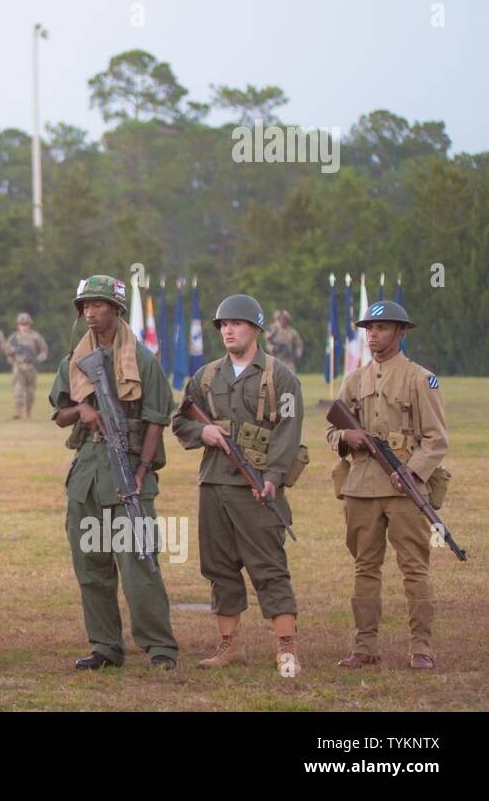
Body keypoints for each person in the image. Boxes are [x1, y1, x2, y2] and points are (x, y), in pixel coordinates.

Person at [171, 294, 305, 676]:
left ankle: (287, 647)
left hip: (257, 486)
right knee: (218, 565)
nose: (228, 330)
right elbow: (179, 421)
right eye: (223, 325)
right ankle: (230, 645)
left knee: (268, 566)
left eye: (237, 323)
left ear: (255, 329)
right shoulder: (205, 376)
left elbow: (288, 431)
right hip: (214, 482)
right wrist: (205, 431)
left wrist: (273, 478)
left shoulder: (280, 376)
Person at [50, 275, 179, 670]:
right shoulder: (75, 360)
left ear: (117, 310)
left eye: (98, 305)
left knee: (139, 564)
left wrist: (142, 470)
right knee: (91, 568)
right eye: (85, 306)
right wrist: (83, 411)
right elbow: (59, 413)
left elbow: (157, 420)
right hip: (87, 476)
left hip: (129, 474)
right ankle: (105, 646)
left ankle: (159, 647)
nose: (90, 312)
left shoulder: (141, 360)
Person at [326, 300, 450, 671]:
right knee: (364, 567)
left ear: (399, 332)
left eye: (381, 328)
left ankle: (422, 648)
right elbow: (333, 432)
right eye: (369, 329)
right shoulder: (354, 379)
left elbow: (436, 439)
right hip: (361, 486)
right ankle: (365, 647)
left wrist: (411, 472)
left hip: (405, 490)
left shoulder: (419, 378)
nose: (373, 335)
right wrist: (348, 435)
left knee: (414, 568)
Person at [6, 312, 48, 419]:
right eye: (21, 324)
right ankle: (19, 412)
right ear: (18, 325)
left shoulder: (36, 337)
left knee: (30, 392)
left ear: (30, 325)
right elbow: (7, 350)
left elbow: (43, 350)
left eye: (26, 324)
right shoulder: (14, 338)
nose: (24, 327)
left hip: (31, 367)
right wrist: (14, 356)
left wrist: (37, 359)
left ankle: (27, 410)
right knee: (18, 390)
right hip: (18, 367)